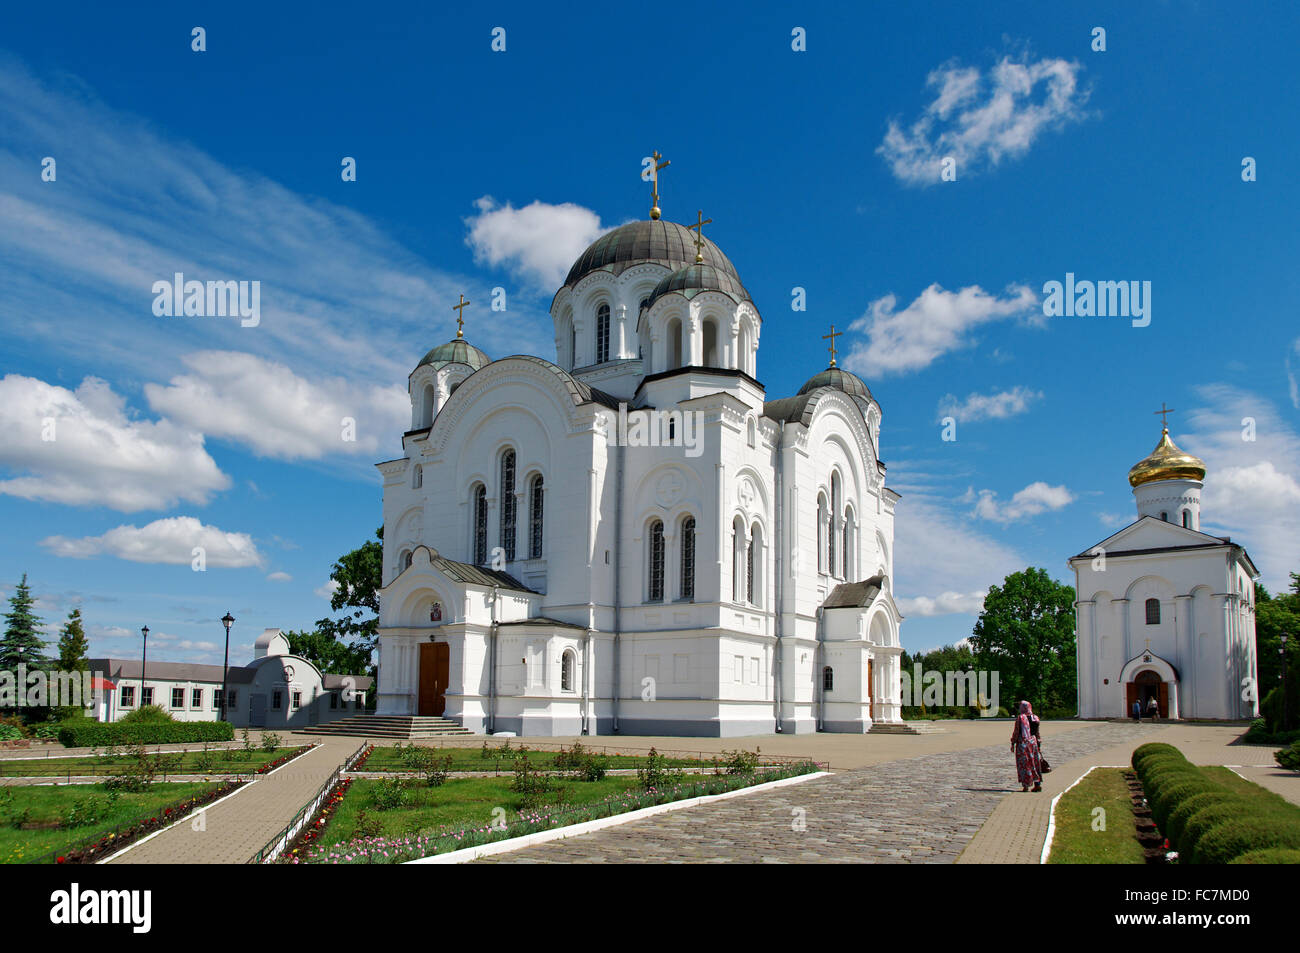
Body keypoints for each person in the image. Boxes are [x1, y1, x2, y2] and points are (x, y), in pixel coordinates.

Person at [1010, 700, 1043, 792]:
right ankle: (1037, 784)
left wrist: (1013, 742)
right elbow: (1037, 732)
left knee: (1024, 764)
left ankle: (1026, 785)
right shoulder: (1035, 718)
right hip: (1033, 742)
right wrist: (1039, 743)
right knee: (1034, 763)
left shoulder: (1021, 718)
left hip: (1023, 743)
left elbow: (1016, 731)